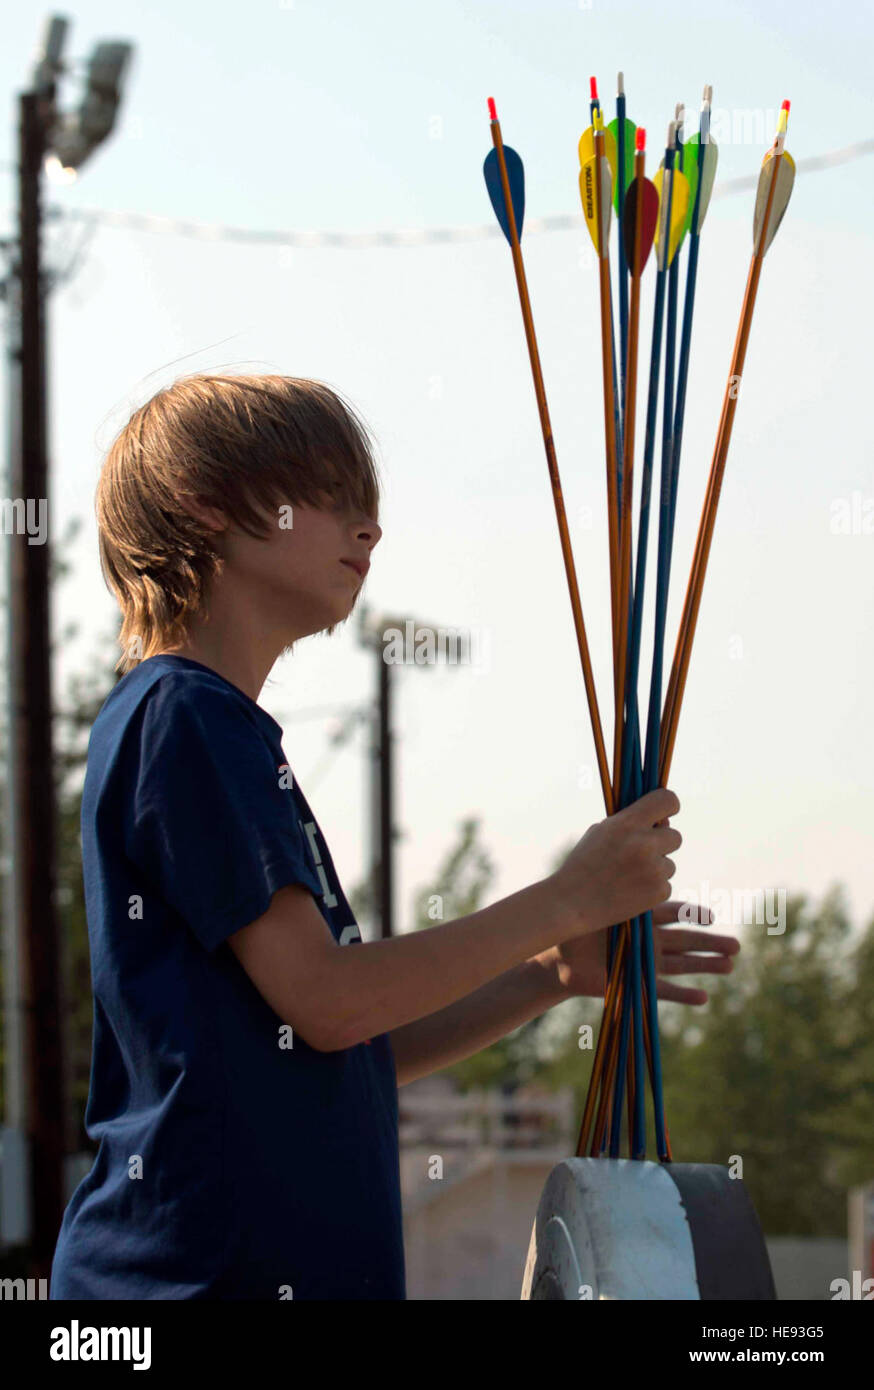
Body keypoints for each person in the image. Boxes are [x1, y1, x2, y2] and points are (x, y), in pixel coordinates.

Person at [49, 372, 737, 1301]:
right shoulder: (187, 713)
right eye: (329, 496)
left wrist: (551, 972)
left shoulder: (208, 723)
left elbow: (342, 1043)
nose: (367, 528)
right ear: (200, 505)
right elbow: (330, 1002)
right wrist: (564, 898)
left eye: (368, 505)